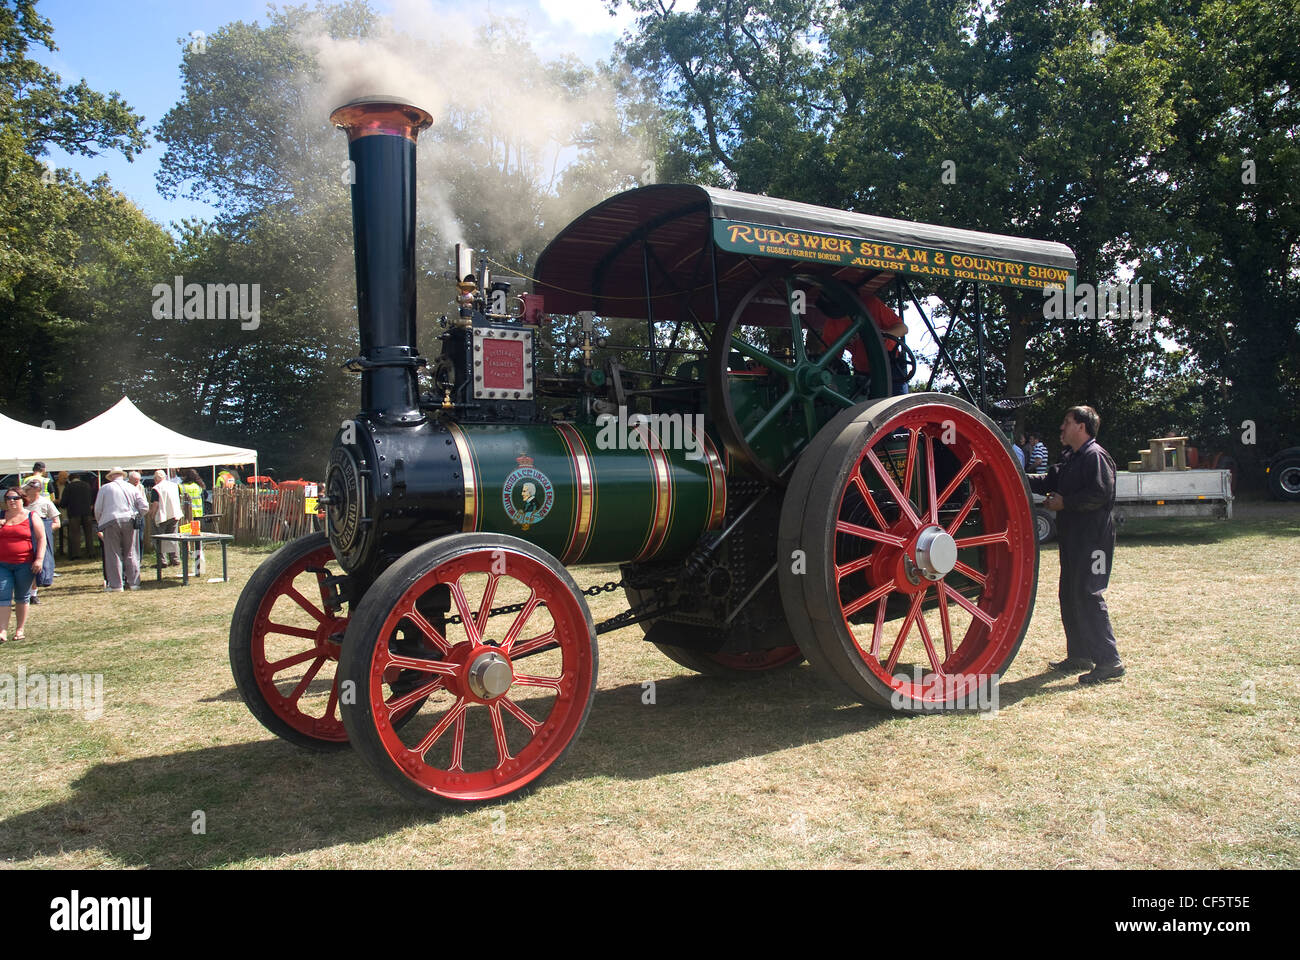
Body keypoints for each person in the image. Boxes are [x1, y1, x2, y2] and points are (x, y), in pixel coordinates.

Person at [1027, 405, 1124, 685]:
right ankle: (1080, 655)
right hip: (1074, 537)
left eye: (1066, 422)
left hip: (1093, 540)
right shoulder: (1072, 457)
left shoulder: (1095, 456)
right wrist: (1010, 469)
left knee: (1089, 594)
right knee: (1069, 593)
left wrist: (1064, 503)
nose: (1061, 428)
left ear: (1082, 426)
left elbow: (1100, 493)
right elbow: (1047, 480)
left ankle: (1110, 661)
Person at [0, 485, 45, 642]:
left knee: (22, 597)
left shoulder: (32, 516)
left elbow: (41, 538)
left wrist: (39, 559)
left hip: (25, 564)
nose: (11, 501)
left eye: (15, 498)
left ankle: (20, 630)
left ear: (22, 500)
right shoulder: (1, 516)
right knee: (3, 596)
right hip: (2, 564)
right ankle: (2, 631)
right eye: (8, 498)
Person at [93, 466, 147, 591]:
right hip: (130, 519)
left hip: (111, 521)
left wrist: (100, 522)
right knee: (131, 552)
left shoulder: (105, 488)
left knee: (113, 553)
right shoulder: (132, 488)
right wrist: (137, 516)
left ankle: (116, 585)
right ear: (123, 476)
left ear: (111, 476)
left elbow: (98, 509)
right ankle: (134, 583)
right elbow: (144, 506)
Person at [21, 478, 58, 604]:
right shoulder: (21, 502)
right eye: (27, 488)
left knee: (36, 564)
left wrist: (44, 531)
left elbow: (56, 522)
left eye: (31, 487)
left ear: (38, 489)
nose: (28, 490)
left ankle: (33, 594)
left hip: (38, 538)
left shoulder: (45, 503)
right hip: (23, 537)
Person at [150, 469, 183, 567]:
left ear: (156, 479)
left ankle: (162, 561)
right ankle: (175, 559)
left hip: (162, 516)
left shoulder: (156, 488)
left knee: (159, 539)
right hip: (174, 514)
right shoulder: (174, 486)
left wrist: (152, 514)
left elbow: (155, 504)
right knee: (173, 538)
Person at [60, 472, 96, 560]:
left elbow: (63, 502)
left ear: (70, 479)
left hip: (74, 513)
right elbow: (92, 498)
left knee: (75, 534)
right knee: (89, 534)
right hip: (87, 512)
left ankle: (76, 554)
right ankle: (91, 552)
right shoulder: (87, 485)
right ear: (79, 478)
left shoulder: (69, 487)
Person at [178, 468, 207, 576]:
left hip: (186, 517)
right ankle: (200, 567)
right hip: (198, 517)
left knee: (185, 541)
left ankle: (186, 566)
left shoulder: (182, 487)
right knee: (198, 542)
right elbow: (205, 497)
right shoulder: (199, 487)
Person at [52, 470, 69, 556]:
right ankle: (54, 549)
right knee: (54, 530)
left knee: (65, 530)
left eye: (66, 478)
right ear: (59, 477)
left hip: (64, 509)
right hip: (55, 509)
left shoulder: (68, 485)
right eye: (64, 478)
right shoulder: (53, 485)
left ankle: (65, 549)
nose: (65, 479)